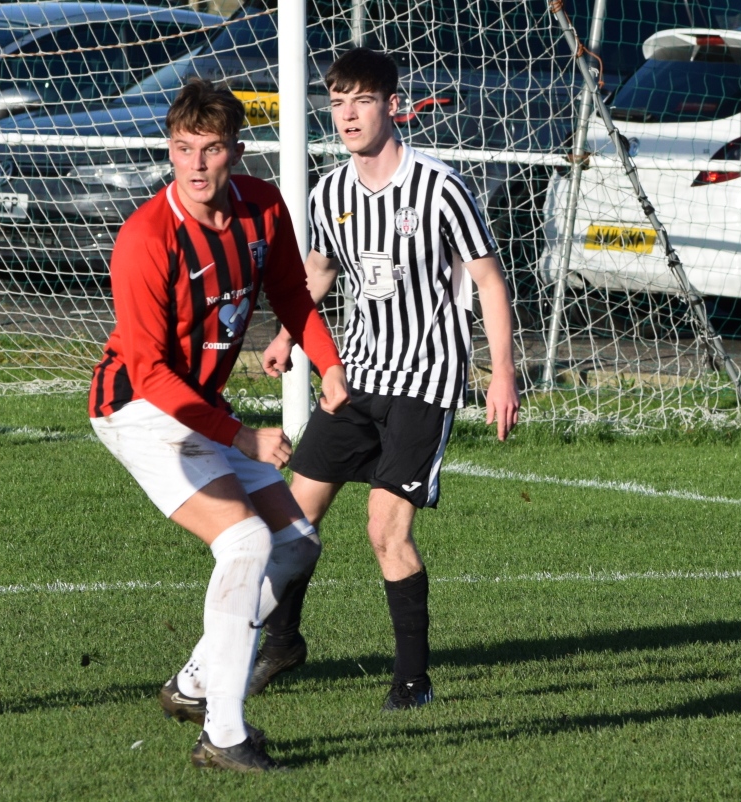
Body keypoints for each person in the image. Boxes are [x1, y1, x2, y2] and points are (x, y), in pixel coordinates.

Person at [88, 79, 348, 772]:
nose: (196, 165)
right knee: (243, 541)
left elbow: (292, 292)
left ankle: (197, 682)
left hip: (198, 406)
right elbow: (146, 373)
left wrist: (327, 365)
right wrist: (240, 436)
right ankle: (224, 736)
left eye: (210, 150)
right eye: (182, 150)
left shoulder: (262, 208)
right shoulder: (147, 236)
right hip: (137, 410)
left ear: (236, 150)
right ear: (169, 151)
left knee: (295, 542)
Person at [257, 48, 521, 709]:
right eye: (338, 101)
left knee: (385, 530)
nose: (347, 114)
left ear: (392, 107)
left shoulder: (440, 188)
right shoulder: (331, 191)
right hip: (356, 377)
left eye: (362, 100)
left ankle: (412, 682)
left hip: (424, 383)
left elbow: (489, 281)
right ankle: (282, 643)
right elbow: (318, 269)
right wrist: (290, 334)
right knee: (294, 517)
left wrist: (502, 375)